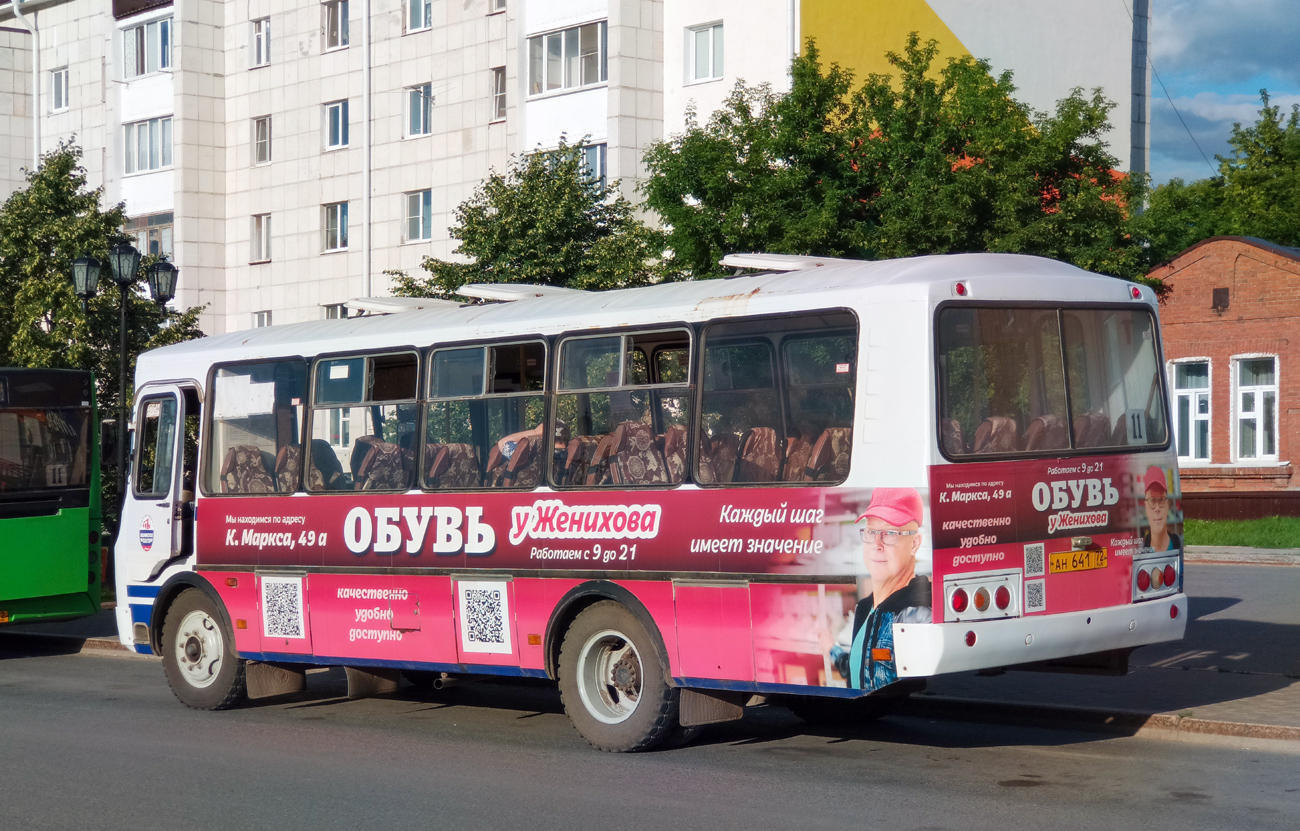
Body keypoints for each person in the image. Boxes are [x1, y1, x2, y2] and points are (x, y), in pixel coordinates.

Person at [831, 487, 932, 691]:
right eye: (871, 531)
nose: (877, 544)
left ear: (915, 544)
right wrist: (832, 650)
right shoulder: (865, 607)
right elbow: (861, 667)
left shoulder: (918, 614)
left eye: (891, 533)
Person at [1141, 465, 1181, 552]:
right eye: (1152, 501)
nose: (1157, 508)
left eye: (1161, 500)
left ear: (1167, 505)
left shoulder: (1179, 545)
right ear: (1146, 507)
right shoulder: (1140, 553)